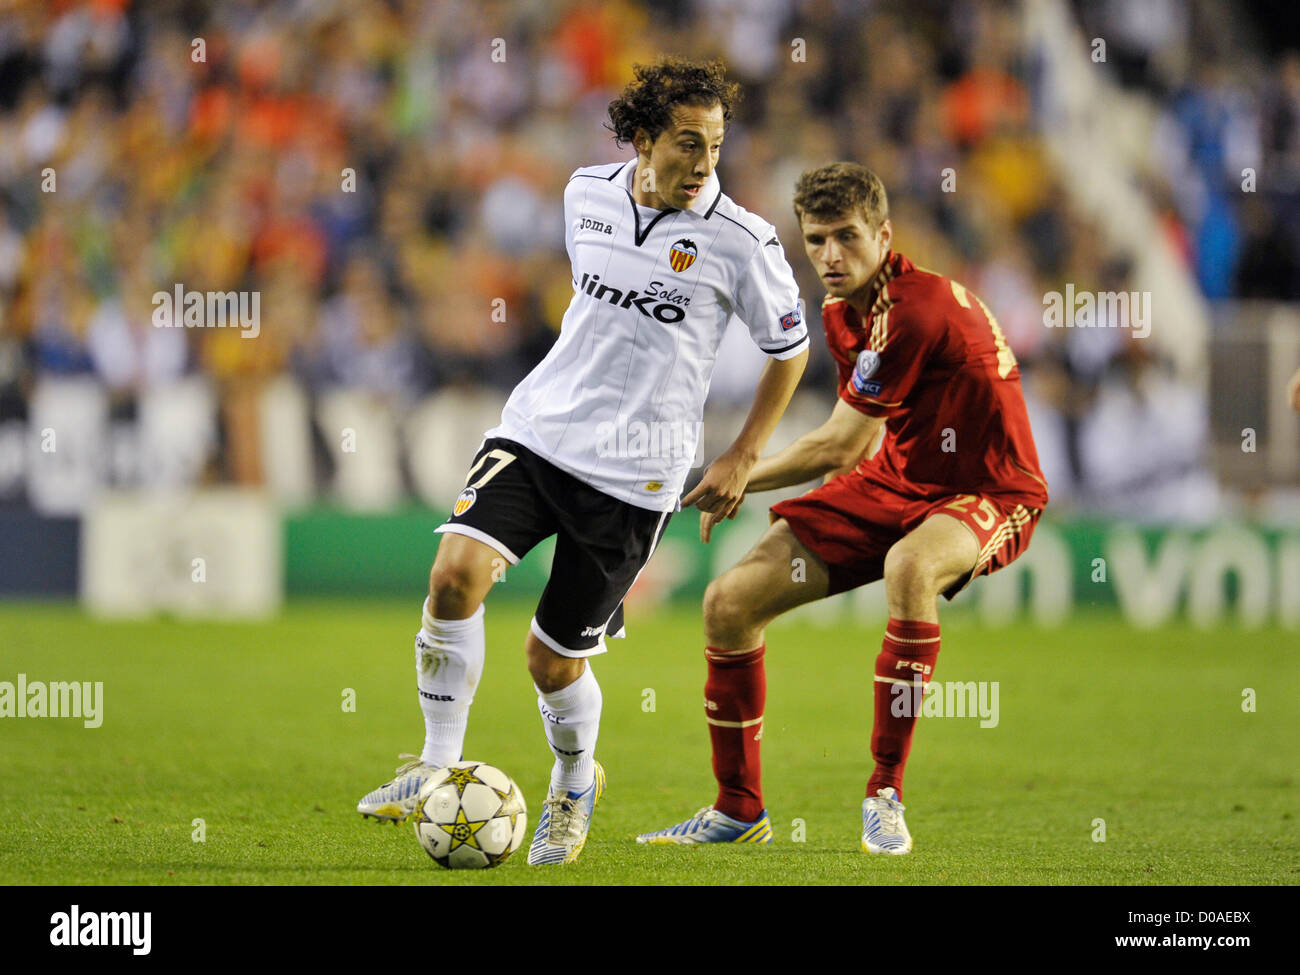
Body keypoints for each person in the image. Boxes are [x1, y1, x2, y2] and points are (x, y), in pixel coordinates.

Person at [356, 56, 810, 866]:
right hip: (539, 432)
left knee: (551, 657)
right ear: (642, 139)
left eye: (715, 146)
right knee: (453, 575)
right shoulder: (584, 195)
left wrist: (744, 453)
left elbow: (789, 347)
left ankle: (573, 783)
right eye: (686, 144)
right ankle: (433, 764)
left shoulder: (742, 240)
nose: (704, 164)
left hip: (635, 475)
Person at [637, 162, 1049, 854]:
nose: (831, 256)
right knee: (728, 603)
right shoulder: (839, 310)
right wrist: (744, 476)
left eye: (847, 238)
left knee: (910, 567)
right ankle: (738, 810)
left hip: (989, 487)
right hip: (897, 478)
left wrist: (740, 472)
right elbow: (858, 447)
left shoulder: (913, 311)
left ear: (884, 235)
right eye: (817, 239)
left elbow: (837, 445)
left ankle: (884, 791)